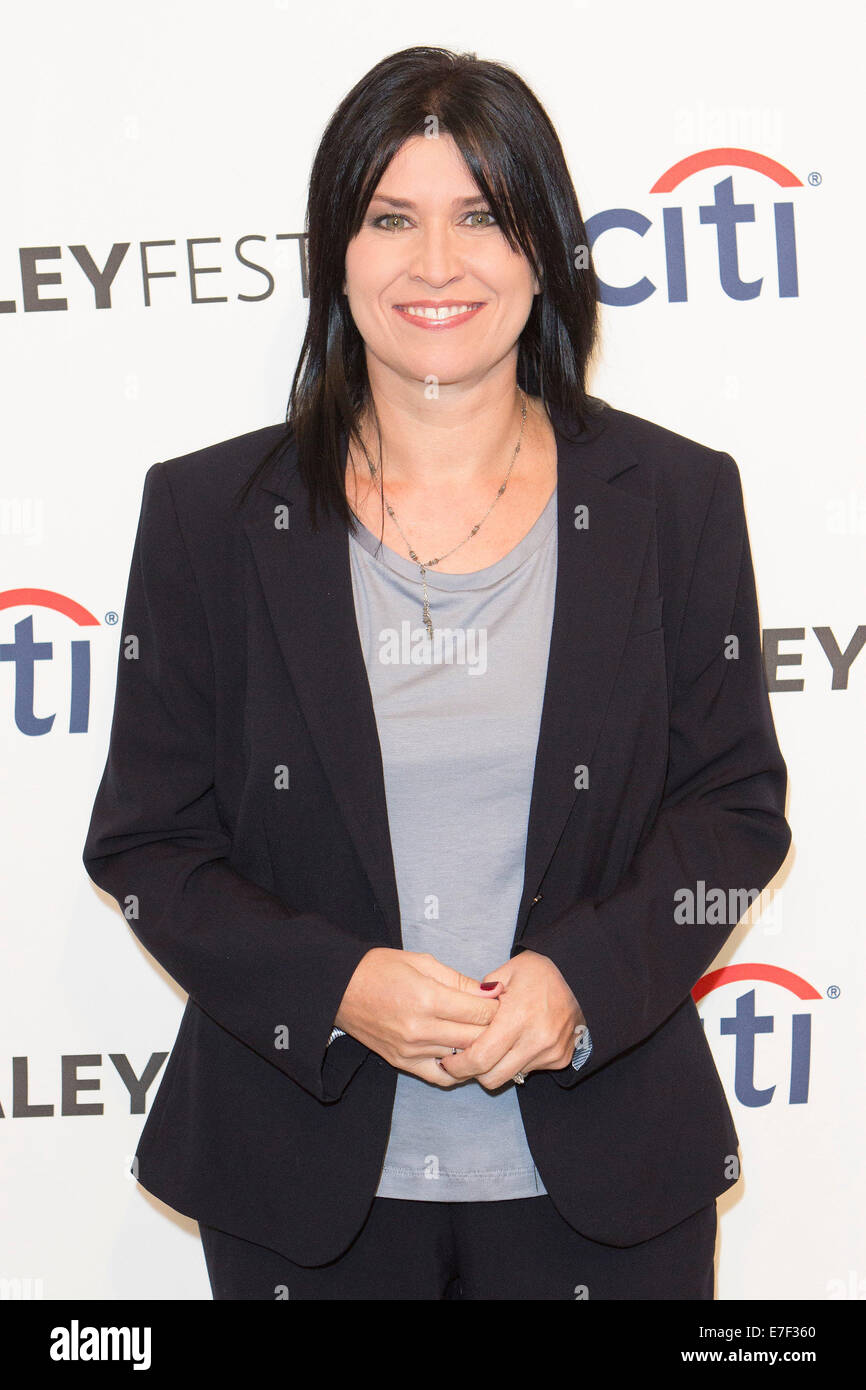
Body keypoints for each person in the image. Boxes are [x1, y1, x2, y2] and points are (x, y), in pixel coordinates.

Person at [82, 46, 791, 1300]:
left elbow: (731, 810)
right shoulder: (208, 514)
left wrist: (583, 977)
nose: (436, 265)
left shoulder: (672, 500)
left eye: (480, 217)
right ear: (334, 251)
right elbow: (147, 847)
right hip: (306, 1195)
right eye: (389, 218)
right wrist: (338, 986)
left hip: (611, 1184)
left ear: (544, 248)